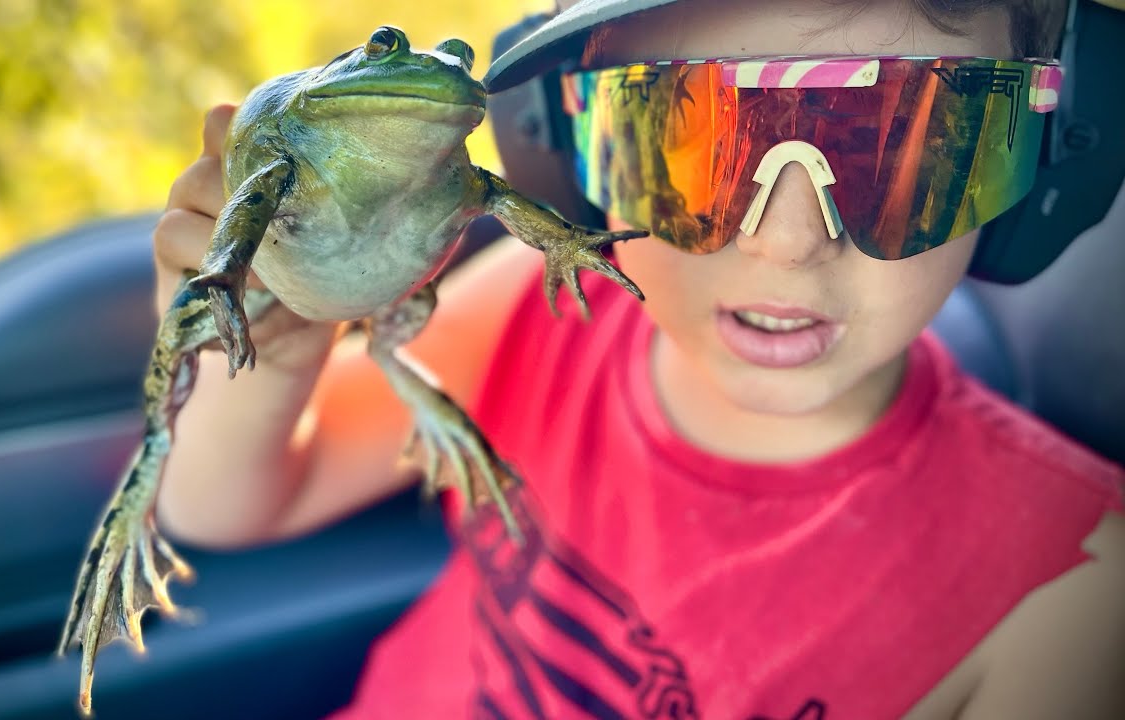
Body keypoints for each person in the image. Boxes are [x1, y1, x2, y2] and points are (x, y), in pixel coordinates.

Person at [151, 0, 1125, 717]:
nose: (784, 242)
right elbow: (233, 500)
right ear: (559, 151)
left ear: (1047, 162)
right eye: (684, 141)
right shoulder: (532, 306)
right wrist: (268, 358)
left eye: (904, 148)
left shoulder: (1070, 594)